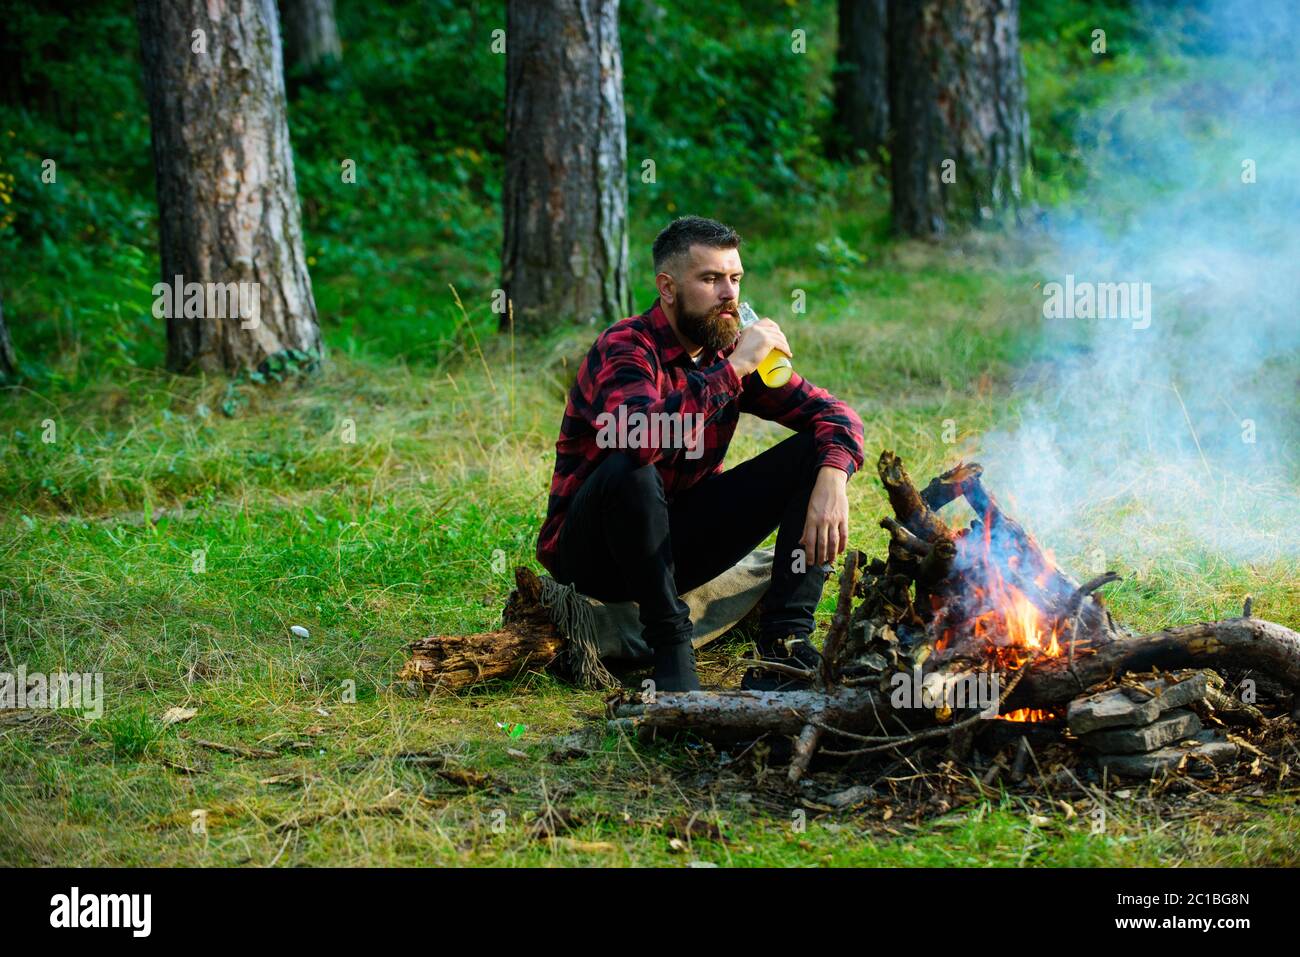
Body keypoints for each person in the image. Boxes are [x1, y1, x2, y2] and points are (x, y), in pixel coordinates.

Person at [536, 216, 865, 691]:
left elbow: (837, 416)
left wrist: (832, 477)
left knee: (817, 449)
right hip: (594, 557)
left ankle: (784, 649)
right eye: (710, 279)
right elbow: (640, 437)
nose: (729, 294)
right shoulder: (626, 346)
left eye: (734, 279)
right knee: (632, 464)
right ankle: (671, 649)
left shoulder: (722, 352)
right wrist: (736, 367)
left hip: (674, 545)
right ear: (668, 288)